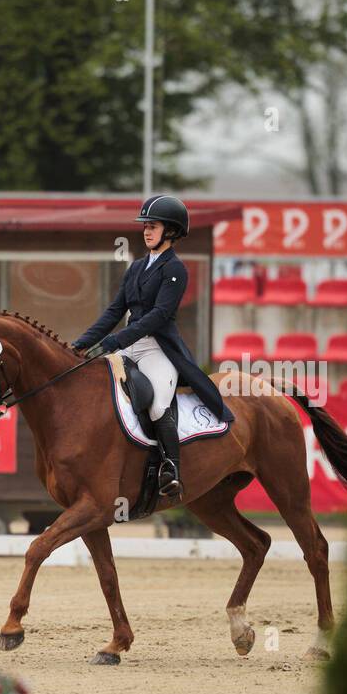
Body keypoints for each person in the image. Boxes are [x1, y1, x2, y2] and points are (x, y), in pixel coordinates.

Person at [74, 195, 234, 498]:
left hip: (157, 348)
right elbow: (114, 311)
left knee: (159, 404)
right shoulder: (135, 268)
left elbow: (159, 316)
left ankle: (171, 468)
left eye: (153, 226)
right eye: (145, 226)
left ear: (170, 232)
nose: (147, 231)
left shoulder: (176, 270)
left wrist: (117, 340)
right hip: (128, 345)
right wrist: (81, 344)